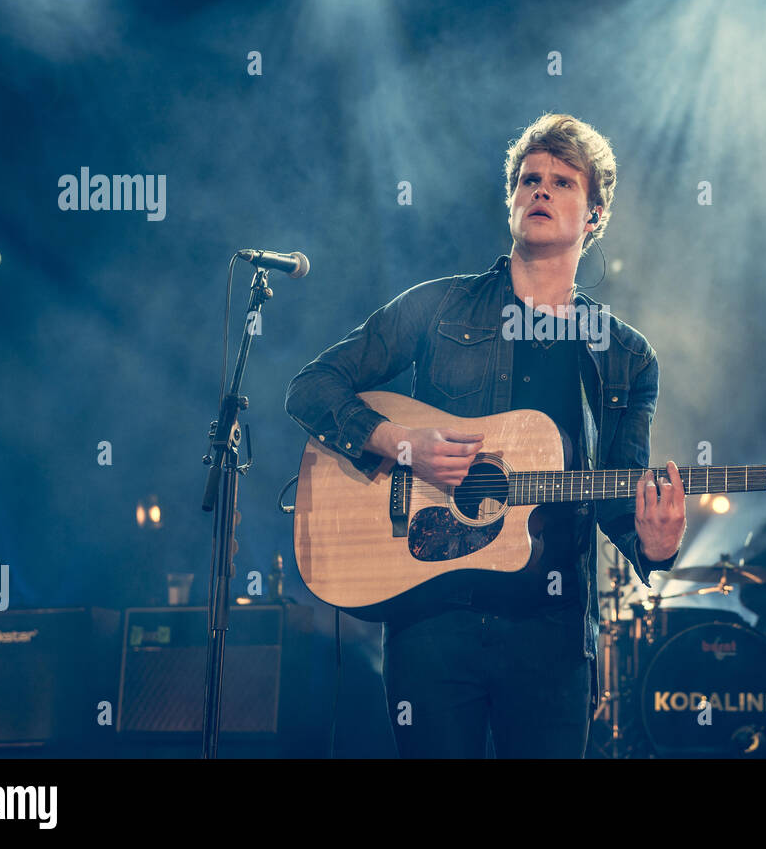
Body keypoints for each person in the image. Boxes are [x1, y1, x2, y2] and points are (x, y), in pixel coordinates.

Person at [285, 113, 685, 757]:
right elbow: (310, 387)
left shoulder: (625, 357)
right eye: (529, 179)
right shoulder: (436, 307)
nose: (541, 191)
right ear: (511, 199)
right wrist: (399, 443)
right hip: (433, 624)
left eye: (561, 181)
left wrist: (656, 544)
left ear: (595, 214)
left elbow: (618, 494)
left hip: (553, 637)